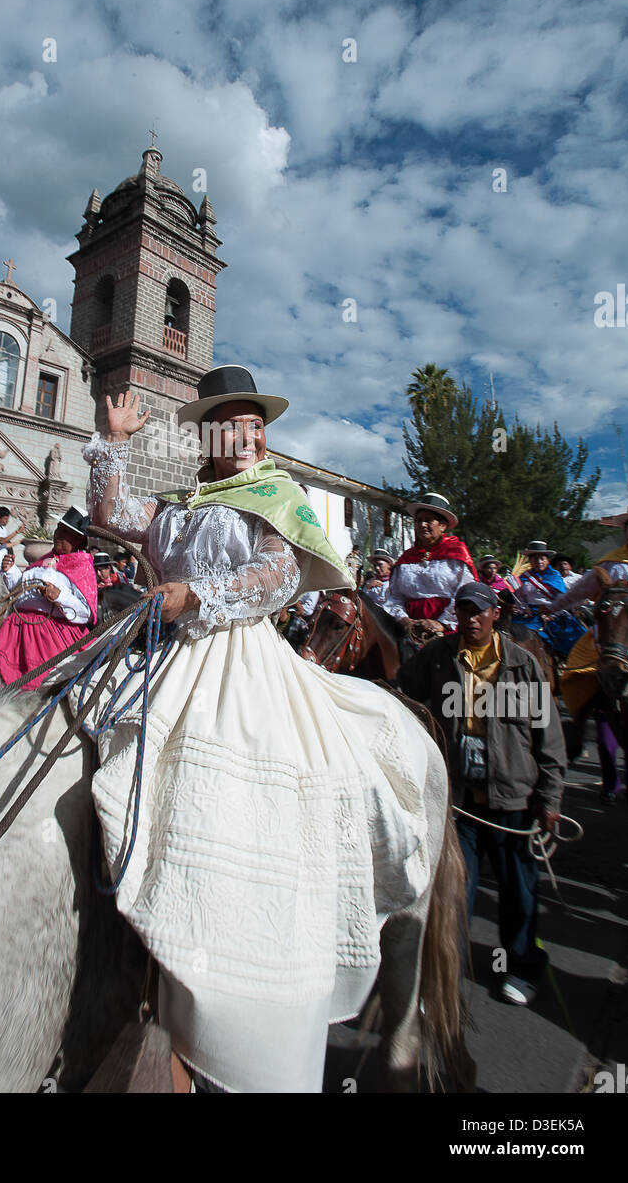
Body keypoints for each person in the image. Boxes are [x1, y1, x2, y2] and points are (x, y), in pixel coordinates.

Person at [81, 365, 434, 1093]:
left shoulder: (277, 494)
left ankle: (242, 975)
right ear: (207, 436)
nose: (245, 434)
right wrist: (110, 443)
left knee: (247, 791)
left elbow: (275, 578)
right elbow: (110, 514)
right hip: (162, 652)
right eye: (229, 423)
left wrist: (194, 595)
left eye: (254, 423)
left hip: (237, 657)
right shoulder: (183, 503)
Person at [396, 580, 566, 1007]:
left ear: (495, 615)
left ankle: (523, 968)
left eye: (479, 611)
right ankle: (444, 974)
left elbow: (549, 739)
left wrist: (550, 799)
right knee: (454, 894)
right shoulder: (438, 657)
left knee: (519, 894)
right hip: (459, 801)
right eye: (464, 610)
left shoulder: (522, 666)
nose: (470, 618)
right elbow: (403, 692)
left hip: (513, 800)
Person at [546, 505, 628, 803]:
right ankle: (580, 730)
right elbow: (578, 593)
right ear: (626, 531)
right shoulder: (611, 565)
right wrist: (551, 608)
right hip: (611, 644)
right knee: (587, 682)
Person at [0, 506, 96, 689]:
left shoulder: (81, 566)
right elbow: (22, 592)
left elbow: (86, 612)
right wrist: (10, 571)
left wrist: (59, 596)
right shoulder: (45, 560)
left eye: (66, 532)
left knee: (35, 686)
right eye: (59, 529)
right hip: (14, 631)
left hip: (47, 636)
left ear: (79, 539)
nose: (58, 535)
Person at [383, 493, 477, 642]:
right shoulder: (406, 559)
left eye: (428, 521)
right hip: (409, 631)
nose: (422, 525)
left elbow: (464, 593)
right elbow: (395, 596)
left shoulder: (457, 554)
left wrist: (441, 623)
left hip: (449, 630)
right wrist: (403, 618)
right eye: (418, 521)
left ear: (443, 526)